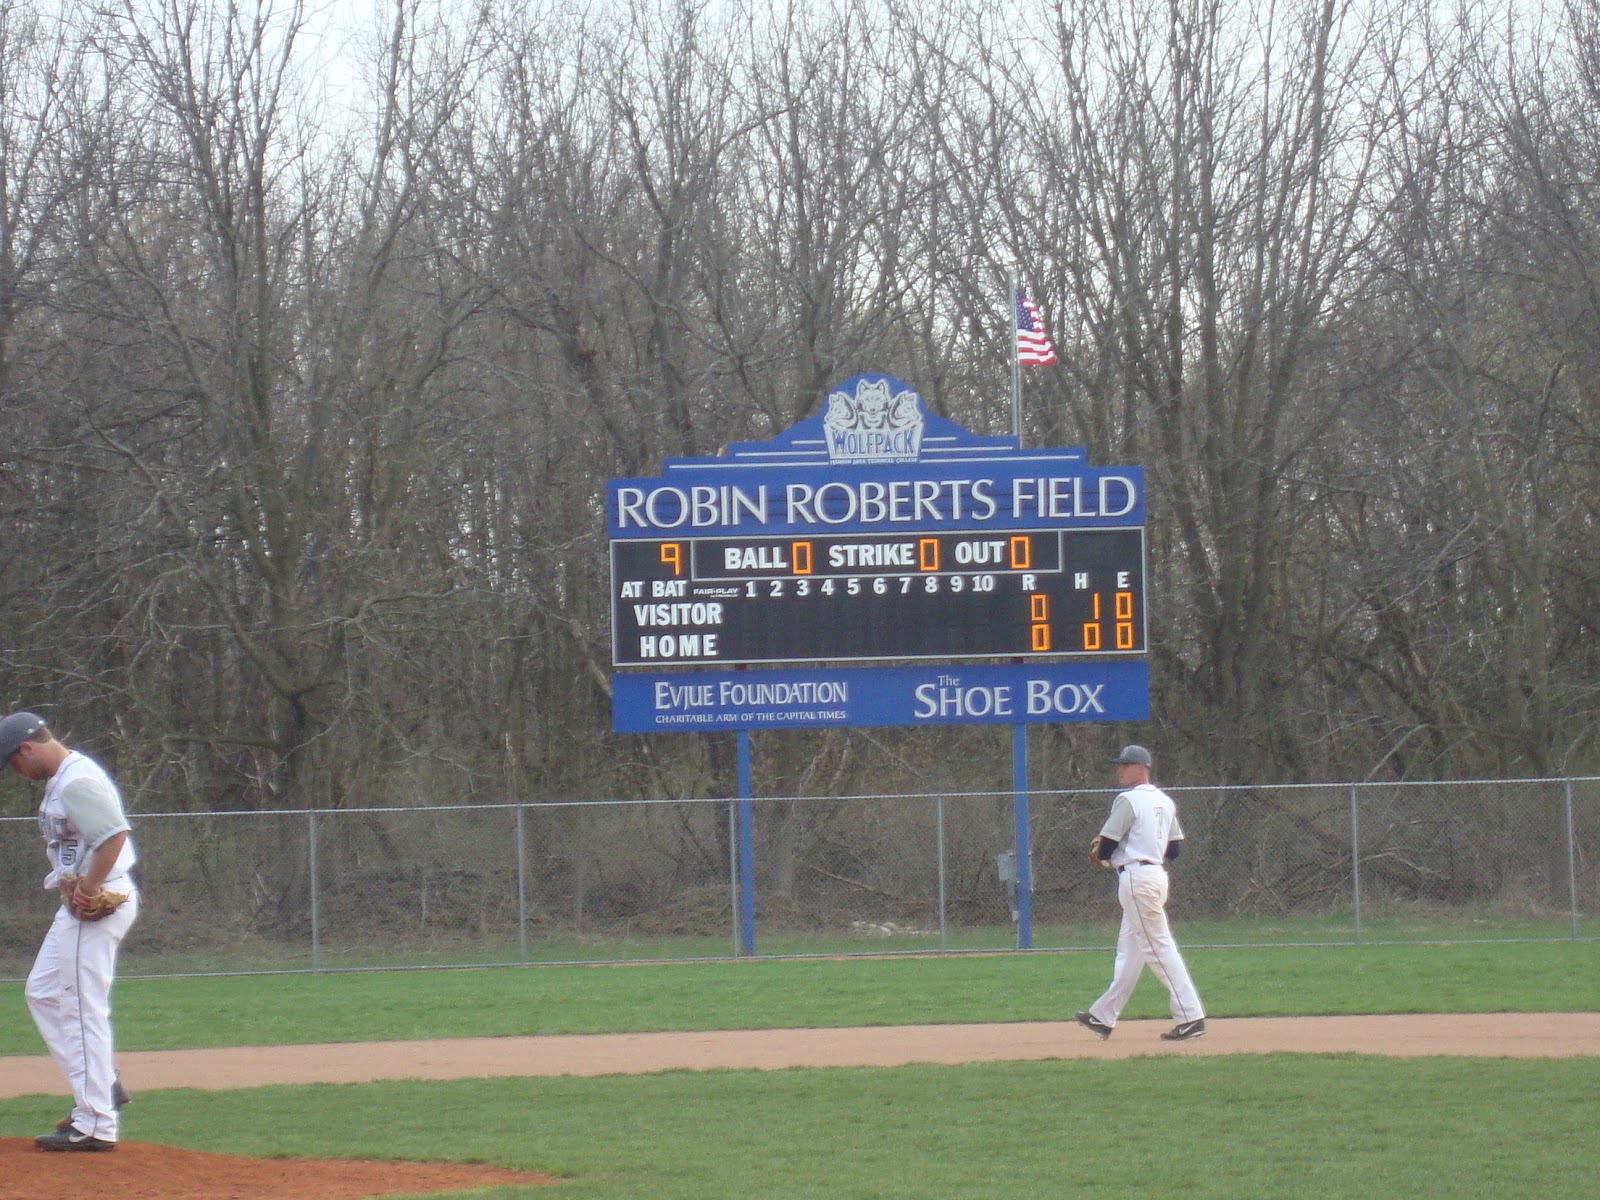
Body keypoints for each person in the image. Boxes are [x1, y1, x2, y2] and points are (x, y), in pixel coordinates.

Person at [2, 711, 139, 1151]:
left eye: (11, 761)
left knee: (82, 1008)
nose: (13, 771)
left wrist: (90, 886)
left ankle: (96, 1121)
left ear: (27, 748)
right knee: (43, 992)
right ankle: (101, 1086)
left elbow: (114, 835)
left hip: (97, 900)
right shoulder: (64, 778)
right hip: (80, 900)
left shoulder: (76, 779)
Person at [1074, 744, 1206, 1042]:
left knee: (1159, 947)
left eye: (1125, 765)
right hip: (1156, 876)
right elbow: (1174, 851)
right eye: (1120, 764)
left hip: (1136, 880)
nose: (1120, 770)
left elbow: (1106, 847)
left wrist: (1106, 856)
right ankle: (1103, 1016)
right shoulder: (1165, 802)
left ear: (1141, 768)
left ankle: (1190, 1016)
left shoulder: (1129, 800)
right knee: (1130, 952)